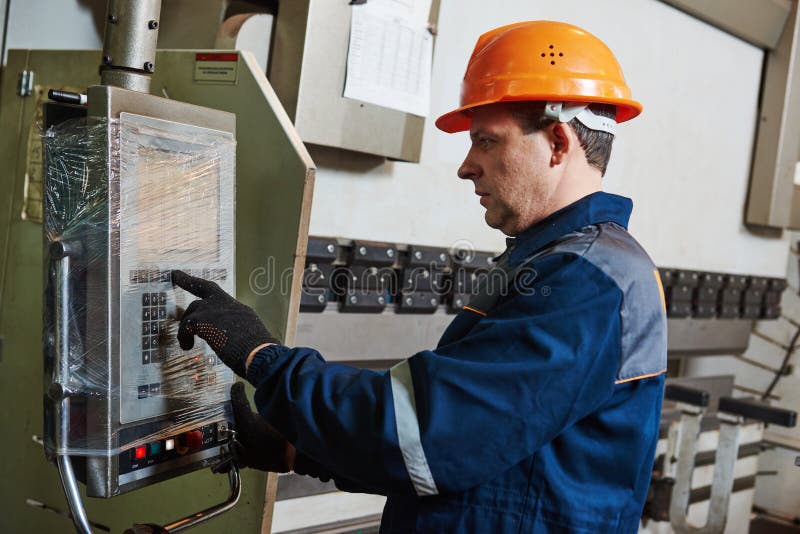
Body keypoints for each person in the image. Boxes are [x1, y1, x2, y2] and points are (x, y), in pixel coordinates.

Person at [172, 21, 667, 533]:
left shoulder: (583, 282)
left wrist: (263, 359)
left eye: (486, 142)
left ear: (559, 143)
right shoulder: (562, 263)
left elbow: (429, 435)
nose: (467, 166)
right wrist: (296, 449)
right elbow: (481, 451)